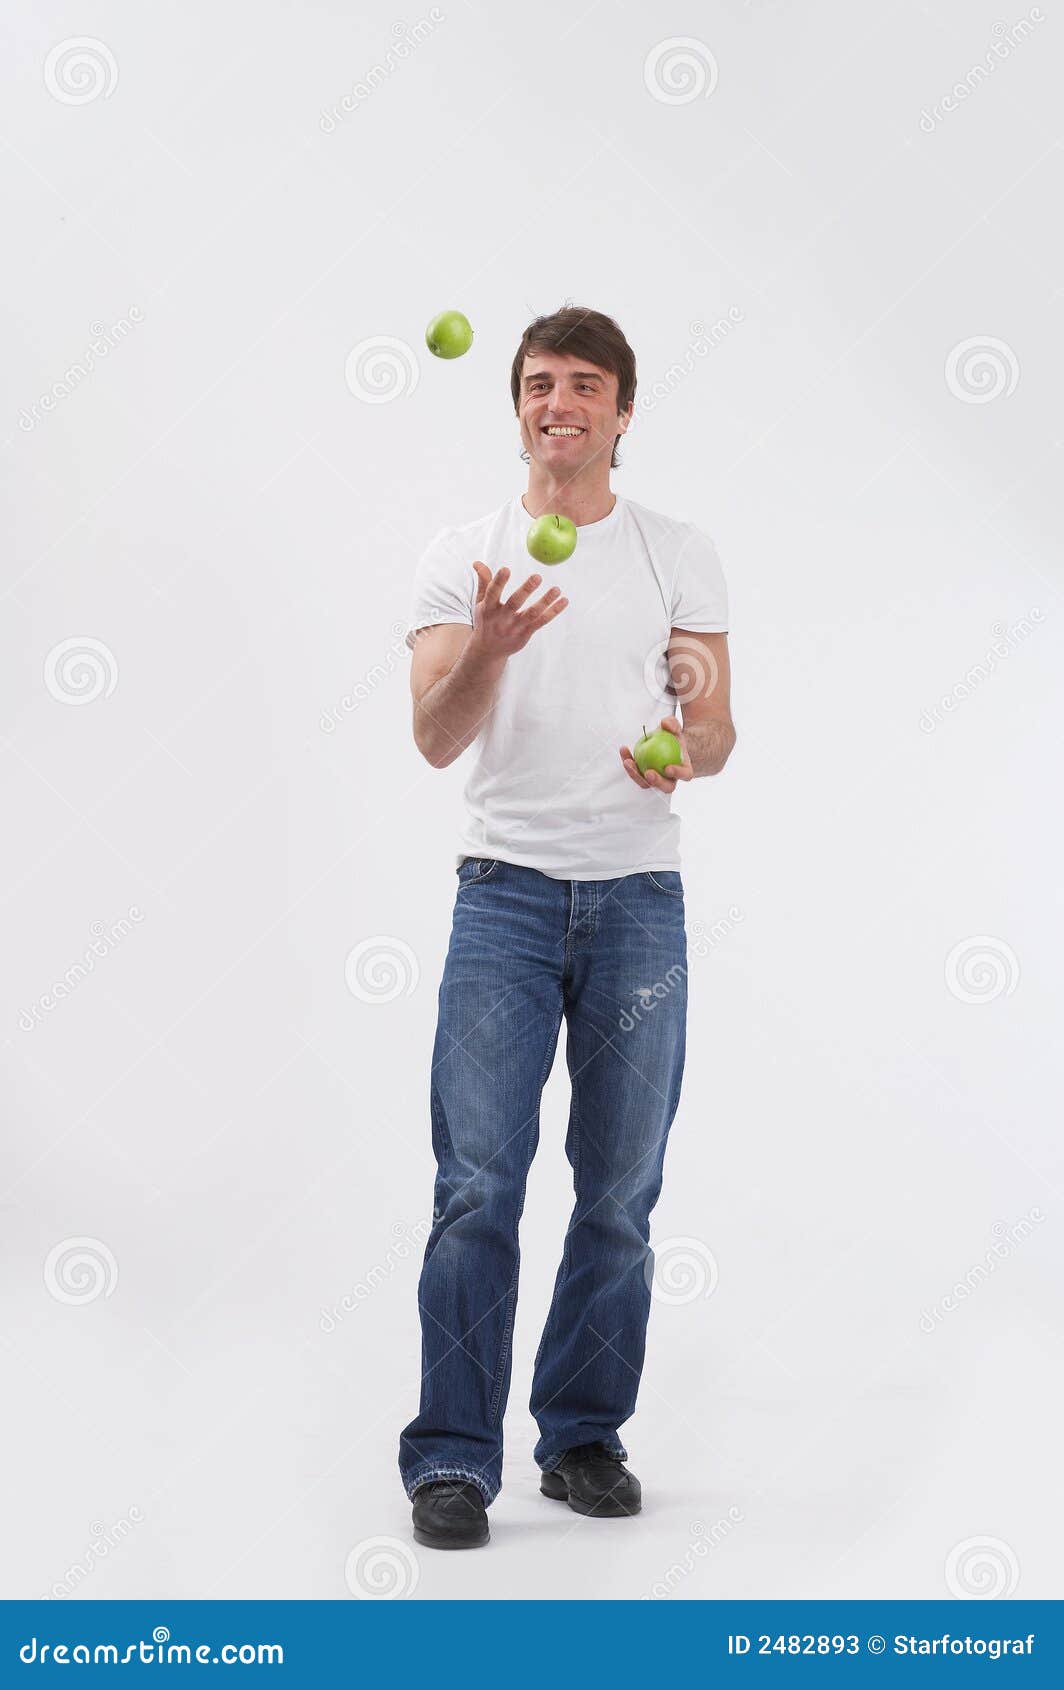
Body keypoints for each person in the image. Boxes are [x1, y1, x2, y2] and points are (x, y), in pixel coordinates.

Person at [399, 305, 736, 1549]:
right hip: (502, 898)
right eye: (539, 383)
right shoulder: (467, 554)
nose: (560, 403)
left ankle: (582, 1434)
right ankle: (448, 1459)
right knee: (476, 1185)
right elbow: (435, 737)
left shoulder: (674, 553)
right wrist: (485, 647)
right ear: (519, 405)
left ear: (622, 410)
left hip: (638, 905)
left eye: (584, 385)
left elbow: (712, 724)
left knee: (618, 1193)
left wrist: (681, 752)